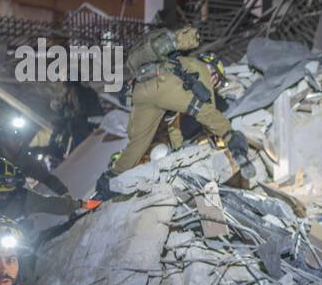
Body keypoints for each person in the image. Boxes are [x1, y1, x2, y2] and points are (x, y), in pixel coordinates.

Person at [94, 25, 251, 198]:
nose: (216, 85)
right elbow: (208, 110)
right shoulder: (199, 68)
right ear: (214, 73)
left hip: (141, 90)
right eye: (218, 81)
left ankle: (108, 182)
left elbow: (172, 121)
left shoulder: (180, 67)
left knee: (137, 144)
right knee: (202, 110)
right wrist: (225, 134)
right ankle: (235, 143)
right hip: (163, 85)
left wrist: (177, 149)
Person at [0, 120, 70, 197]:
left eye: (20, 139)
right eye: (14, 138)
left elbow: (47, 178)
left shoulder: (22, 159)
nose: (18, 142)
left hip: (10, 203)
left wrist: (65, 195)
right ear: (3, 139)